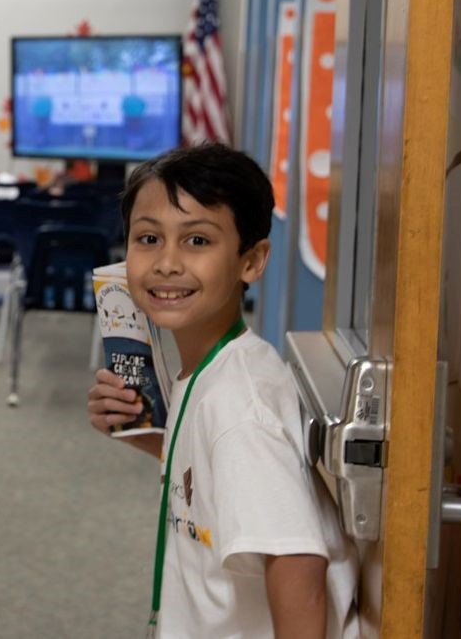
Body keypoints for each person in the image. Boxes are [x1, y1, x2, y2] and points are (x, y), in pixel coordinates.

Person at [85, 144, 358, 638]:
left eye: (197, 241)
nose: (167, 263)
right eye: (148, 238)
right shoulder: (218, 370)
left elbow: (298, 564)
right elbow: (216, 477)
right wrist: (148, 434)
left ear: (251, 261)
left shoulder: (239, 408)